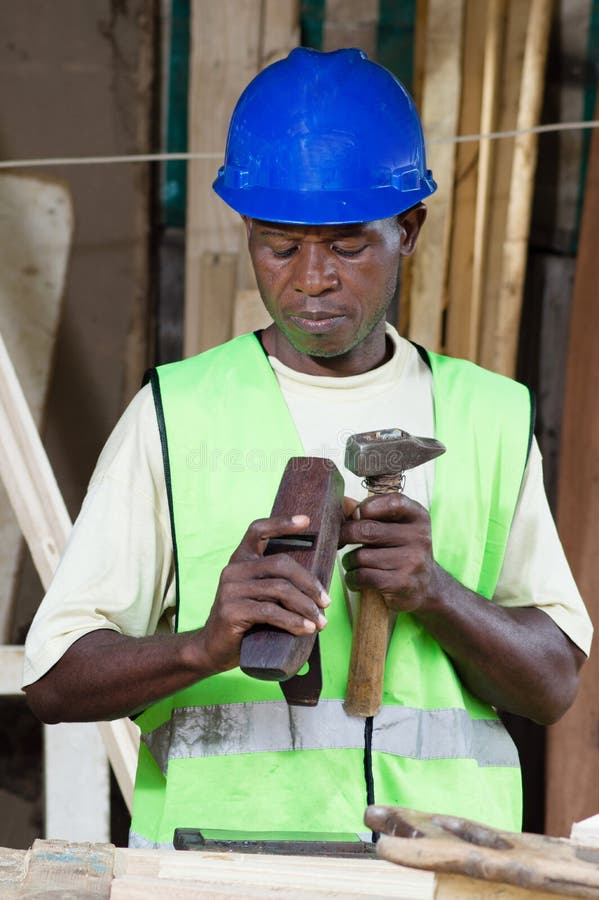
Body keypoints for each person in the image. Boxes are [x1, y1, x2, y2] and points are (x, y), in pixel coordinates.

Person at [23, 47, 591, 849]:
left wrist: (435, 594)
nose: (313, 279)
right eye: (280, 247)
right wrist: (203, 643)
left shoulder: (487, 416)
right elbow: (52, 682)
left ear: (409, 229)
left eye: (348, 246)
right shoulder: (178, 414)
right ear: (248, 233)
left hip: (435, 871)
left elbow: (552, 685)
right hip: (221, 869)